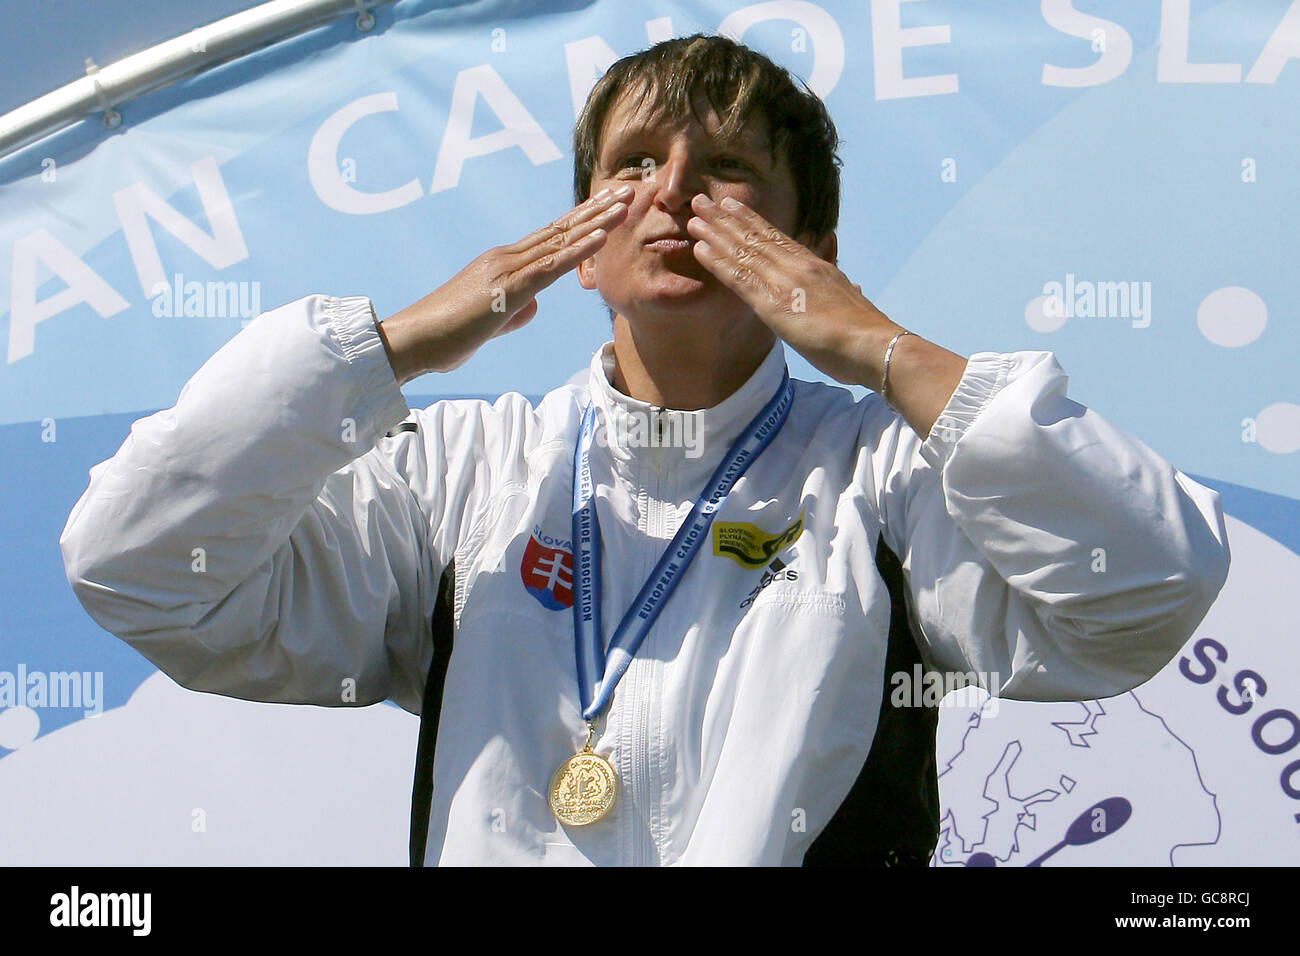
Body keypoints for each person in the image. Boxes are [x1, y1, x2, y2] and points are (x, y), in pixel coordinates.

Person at [59, 34, 1230, 866]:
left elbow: (1139, 596)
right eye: (631, 165)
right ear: (582, 243)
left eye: (725, 171)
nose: (670, 193)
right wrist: (391, 345)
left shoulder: (886, 473)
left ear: (810, 244)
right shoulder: (458, 469)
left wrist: (874, 342)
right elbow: (138, 564)